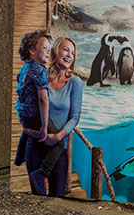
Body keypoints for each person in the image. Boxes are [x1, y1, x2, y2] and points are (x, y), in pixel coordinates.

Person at [25, 36, 83, 197]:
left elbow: (75, 117)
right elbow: (26, 102)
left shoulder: (75, 83)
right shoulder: (41, 76)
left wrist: (58, 136)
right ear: (55, 50)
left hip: (58, 149)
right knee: (36, 198)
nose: (69, 54)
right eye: (65, 49)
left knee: (58, 201)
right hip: (35, 145)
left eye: (72, 52)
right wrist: (27, 128)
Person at [13, 30, 63, 196]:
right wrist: (43, 126)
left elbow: (19, 88)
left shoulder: (25, 67)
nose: (49, 51)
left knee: (28, 132)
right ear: (32, 51)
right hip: (35, 115)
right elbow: (43, 99)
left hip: (24, 114)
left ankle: (20, 155)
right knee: (59, 142)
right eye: (45, 48)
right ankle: (42, 172)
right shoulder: (40, 70)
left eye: (49, 48)